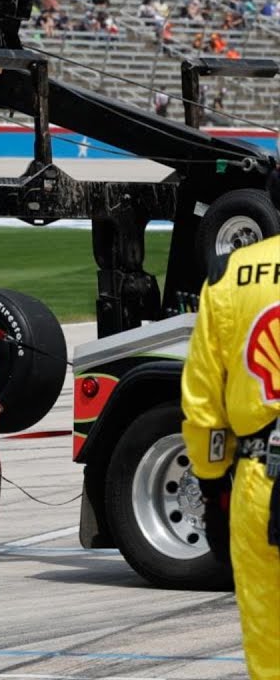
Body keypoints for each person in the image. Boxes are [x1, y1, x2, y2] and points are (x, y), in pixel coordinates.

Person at [181, 235, 279, 680]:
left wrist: (212, 487)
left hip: (261, 478)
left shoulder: (230, 274)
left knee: (270, 647)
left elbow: (203, 406)